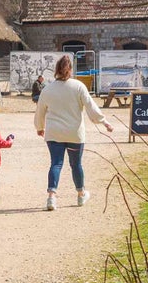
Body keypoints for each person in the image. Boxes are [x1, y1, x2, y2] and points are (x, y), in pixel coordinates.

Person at [34, 55, 113, 211]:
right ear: (70, 69)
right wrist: (104, 121)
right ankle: (81, 194)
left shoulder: (47, 89)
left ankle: (51, 197)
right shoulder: (78, 86)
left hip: (54, 133)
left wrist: (40, 127)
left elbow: (40, 111)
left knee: (56, 163)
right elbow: (90, 106)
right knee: (76, 164)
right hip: (74, 133)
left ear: (56, 70)